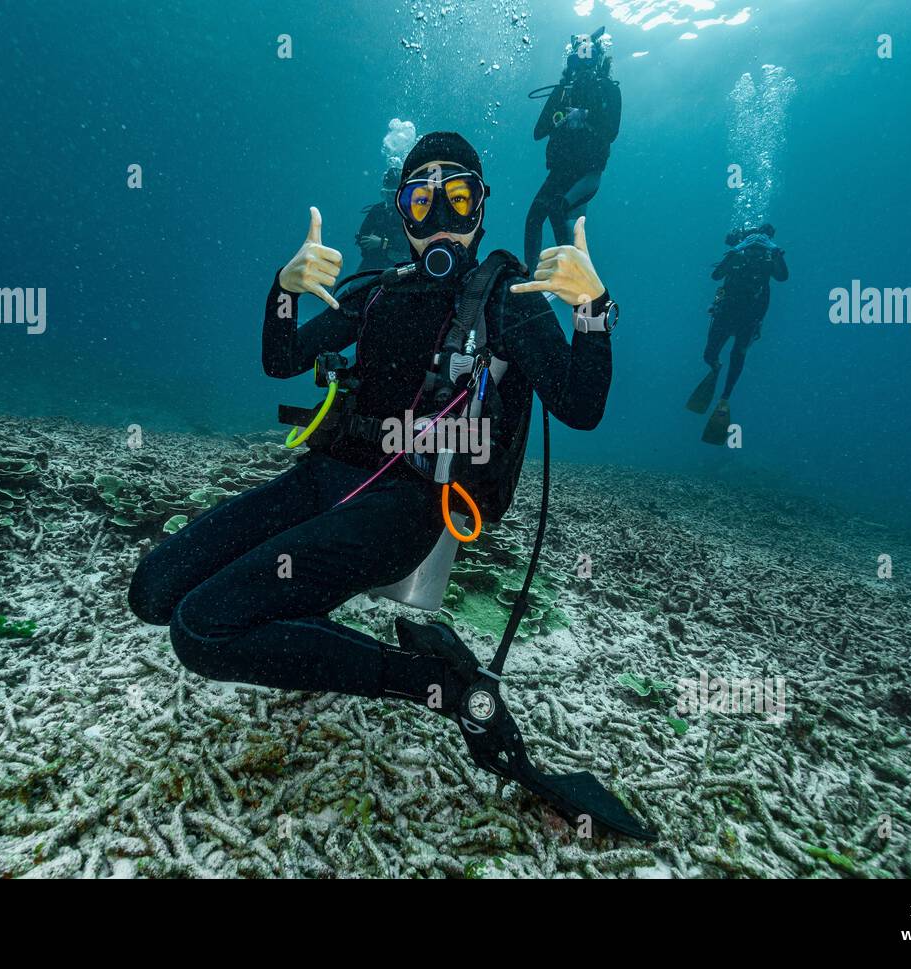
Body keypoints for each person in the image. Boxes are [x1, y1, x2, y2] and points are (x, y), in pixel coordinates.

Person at [128, 132, 648, 837]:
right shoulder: (377, 293)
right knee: (153, 591)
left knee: (200, 629)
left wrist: (593, 310)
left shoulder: (504, 298)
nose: (440, 218)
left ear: (481, 210)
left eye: (458, 197)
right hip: (322, 479)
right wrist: (282, 290)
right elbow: (282, 359)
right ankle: (301, 624)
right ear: (402, 213)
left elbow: (580, 405)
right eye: (422, 200)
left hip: (407, 508)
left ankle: (437, 684)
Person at [523, 27, 621, 274]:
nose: (584, 67)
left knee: (558, 208)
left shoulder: (609, 90)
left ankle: (569, 277)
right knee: (535, 216)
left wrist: (586, 115)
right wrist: (558, 118)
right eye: (579, 60)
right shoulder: (561, 92)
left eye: (590, 59)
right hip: (560, 172)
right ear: (572, 62)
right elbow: (538, 132)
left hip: (588, 173)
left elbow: (612, 131)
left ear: (598, 60)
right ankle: (529, 275)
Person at [686, 223, 789, 444]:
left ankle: (725, 398)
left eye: (759, 249)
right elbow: (716, 276)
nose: (754, 253)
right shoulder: (736, 258)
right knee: (709, 354)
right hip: (724, 315)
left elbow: (783, 277)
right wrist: (736, 250)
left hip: (749, 320)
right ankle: (715, 367)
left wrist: (775, 250)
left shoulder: (768, 263)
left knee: (738, 355)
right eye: (751, 248)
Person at [353, 168, 410, 271]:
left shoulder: (408, 213)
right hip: (373, 262)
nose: (389, 198)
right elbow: (361, 236)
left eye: (393, 194)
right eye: (385, 193)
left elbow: (409, 244)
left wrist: (382, 243)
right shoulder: (377, 210)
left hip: (401, 265)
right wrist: (386, 247)